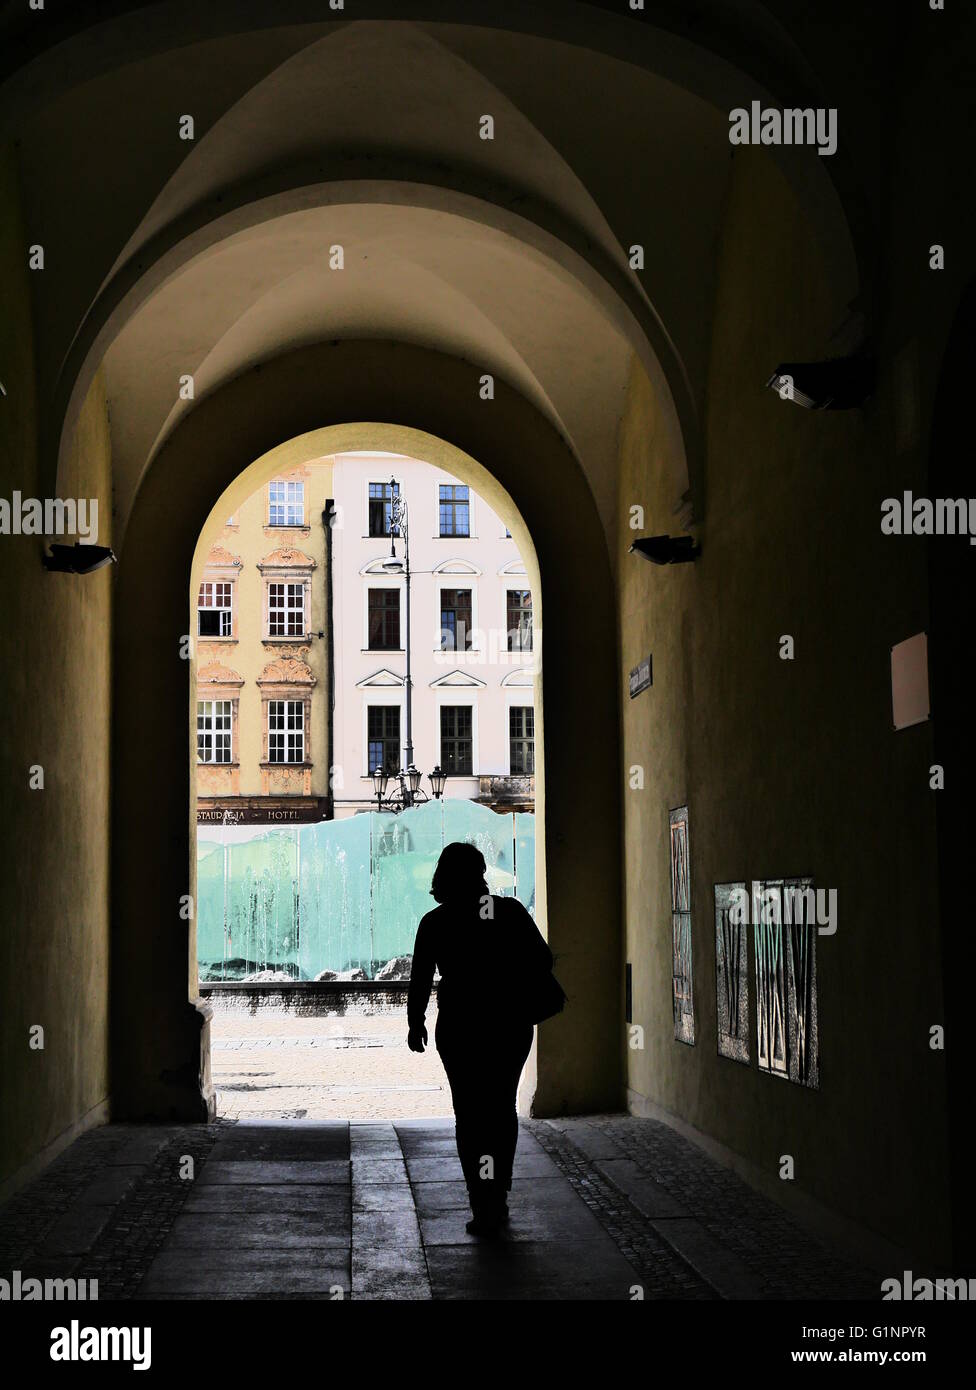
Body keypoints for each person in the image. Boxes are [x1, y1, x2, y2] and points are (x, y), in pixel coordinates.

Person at [407, 841, 553, 1236]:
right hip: (507, 1024)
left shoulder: (435, 922)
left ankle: (480, 1199)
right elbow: (543, 959)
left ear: (442, 876)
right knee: (501, 1108)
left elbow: (420, 978)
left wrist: (415, 1022)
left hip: (459, 1027)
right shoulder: (508, 912)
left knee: (469, 1115)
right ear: (481, 873)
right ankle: (497, 1194)